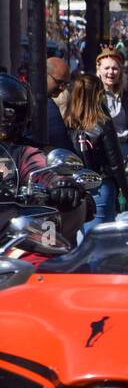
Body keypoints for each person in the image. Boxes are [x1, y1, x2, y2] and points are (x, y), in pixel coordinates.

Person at [0, 74, 91, 258]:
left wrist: (60, 184)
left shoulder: (21, 153)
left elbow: (39, 168)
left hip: (12, 242)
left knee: (39, 264)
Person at [64, 75, 128, 231]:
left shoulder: (68, 121)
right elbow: (114, 159)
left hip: (75, 185)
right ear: (98, 94)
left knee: (80, 235)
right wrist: (125, 190)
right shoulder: (102, 121)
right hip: (100, 184)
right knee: (100, 237)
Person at [43, 57, 75, 152]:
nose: (62, 88)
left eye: (66, 84)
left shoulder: (49, 104)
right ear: (44, 75)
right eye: (59, 82)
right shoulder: (48, 107)